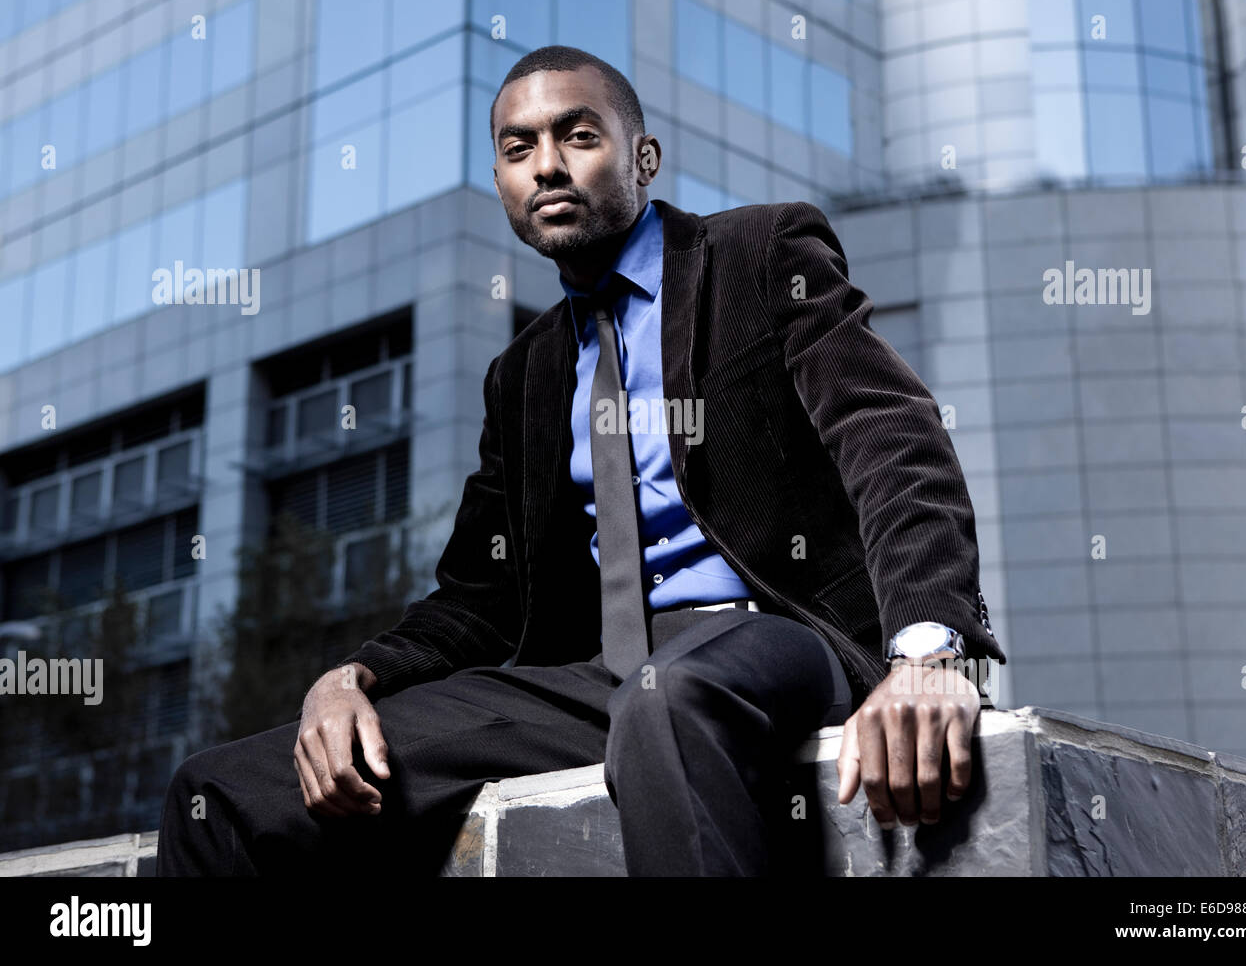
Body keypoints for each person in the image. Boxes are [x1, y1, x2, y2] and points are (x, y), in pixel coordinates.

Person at [157, 45, 1007, 877]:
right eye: (518, 149)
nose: (548, 167)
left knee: (666, 699)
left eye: (579, 136)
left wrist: (926, 653)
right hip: (601, 676)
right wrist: (351, 677)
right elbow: (475, 601)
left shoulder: (760, 254)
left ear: (643, 157)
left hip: (774, 637)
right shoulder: (523, 373)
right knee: (220, 793)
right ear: (500, 181)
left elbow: (889, 433)